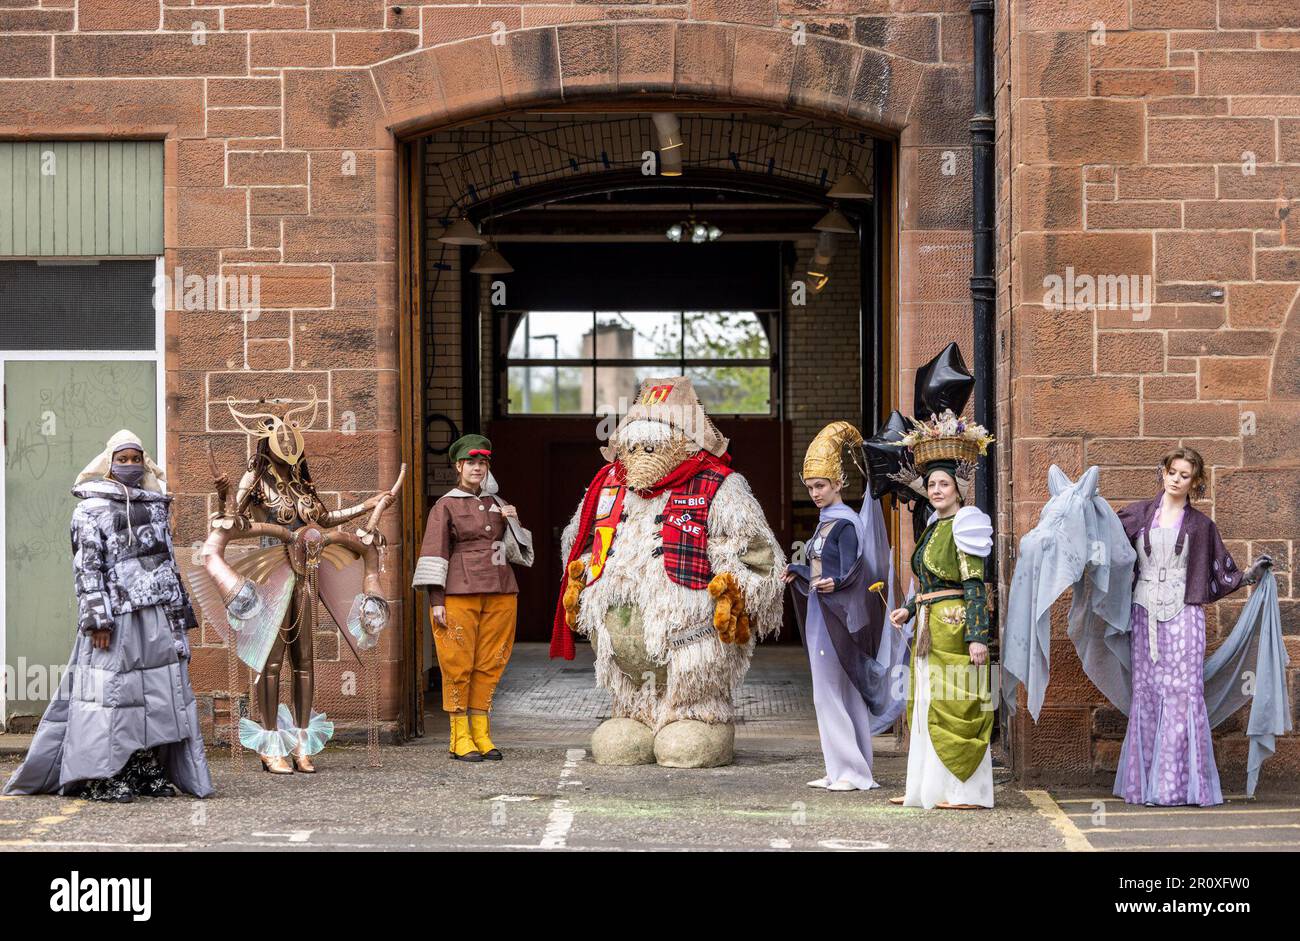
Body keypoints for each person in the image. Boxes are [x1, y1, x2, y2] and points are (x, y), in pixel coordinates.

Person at [3, 431, 213, 802]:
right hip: (117, 618)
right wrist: (97, 620)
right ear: (109, 463)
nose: (130, 465)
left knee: (154, 697)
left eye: (136, 459)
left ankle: (143, 768)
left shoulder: (156, 505)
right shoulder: (90, 509)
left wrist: (178, 617)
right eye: (123, 458)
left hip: (156, 614)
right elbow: (88, 568)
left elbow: (168, 564)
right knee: (110, 696)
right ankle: (102, 773)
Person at [1113, 448, 1272, 806]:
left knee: (1183, 693)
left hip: (1186, 614)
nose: (1176, 479)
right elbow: (1107, 549)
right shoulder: (1137, 514)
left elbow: (1223, 573)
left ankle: (1175, 787)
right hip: (1144, 612)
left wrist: (1250, 576)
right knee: (1149, 693)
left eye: (1185, 475)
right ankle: (1144, 786)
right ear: (1163, 472)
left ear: (1194, 482)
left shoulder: (1202, 526)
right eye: (1172, 471)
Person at [784, 422, 905, 792]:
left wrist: (833, 583)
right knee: (838, 691)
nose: (815, 492)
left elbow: (854, 570)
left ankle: (852, 770)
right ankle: (842, 768)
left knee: (832, 692)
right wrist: (798, 570)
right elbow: (826, 570)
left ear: (838, 483)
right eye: (811, 486)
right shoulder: (827, 523)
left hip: (838, 616)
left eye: (821, 485)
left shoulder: (845, 524)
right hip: (825, 613)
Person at [887, 410, 995, 809]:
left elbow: (972, 585)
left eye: (943, 484)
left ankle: (964, 791)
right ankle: (925, 788)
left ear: (958, 489)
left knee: (955, 702)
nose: (936, 489)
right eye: (931, 484)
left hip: (954, 628)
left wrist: (978, 637)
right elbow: (927, 583)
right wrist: (907, 610)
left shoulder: (966, 525)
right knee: (927, 703)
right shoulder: (933, 526)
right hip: (928, 628)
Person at [414, 434, 533, 761]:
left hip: (501, 589)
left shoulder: (498, 503)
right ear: (459, 466)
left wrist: (513, 521)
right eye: (471, 463)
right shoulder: (445, 505)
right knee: (457, 662)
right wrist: (436, 600)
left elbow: (518, 551)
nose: (477, 468)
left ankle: (482, 734)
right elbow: (435, 552)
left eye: (482, 463)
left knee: (491, 662)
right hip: (459, 591)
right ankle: (459, 737)